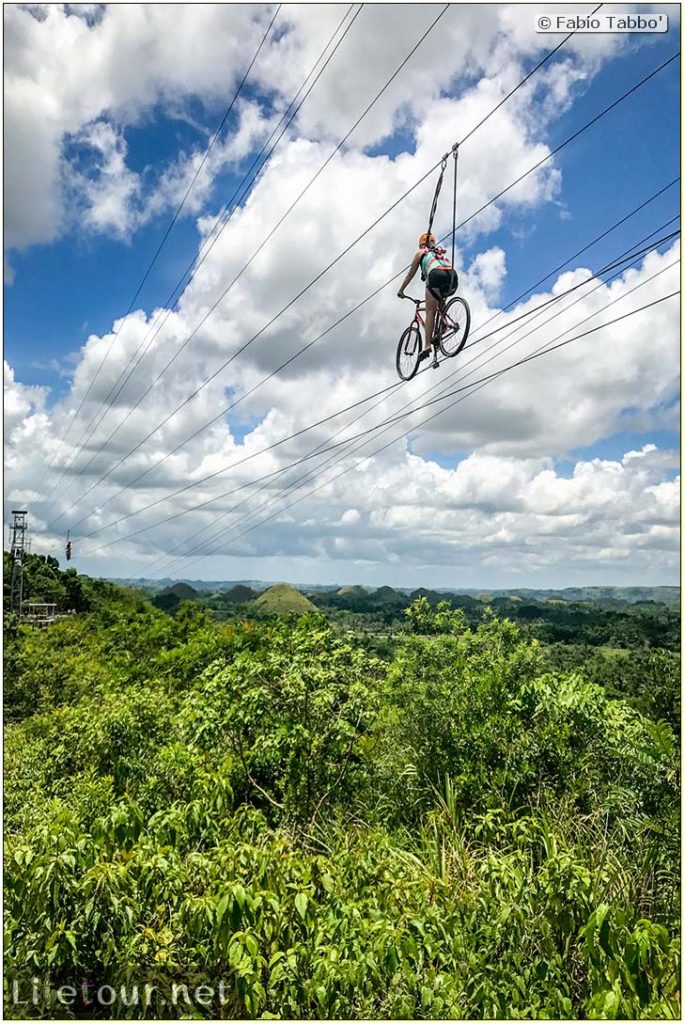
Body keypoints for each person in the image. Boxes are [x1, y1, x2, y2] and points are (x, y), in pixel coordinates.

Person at [397, 232, 457, 359]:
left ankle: (427, 346)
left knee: (430, 312)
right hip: (452, 277)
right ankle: (443, 325)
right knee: (440, 303)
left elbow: (410, 275)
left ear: (421, 244)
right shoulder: (438, 251)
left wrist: (401, 290)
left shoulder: (420, 253)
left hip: (436, 275)